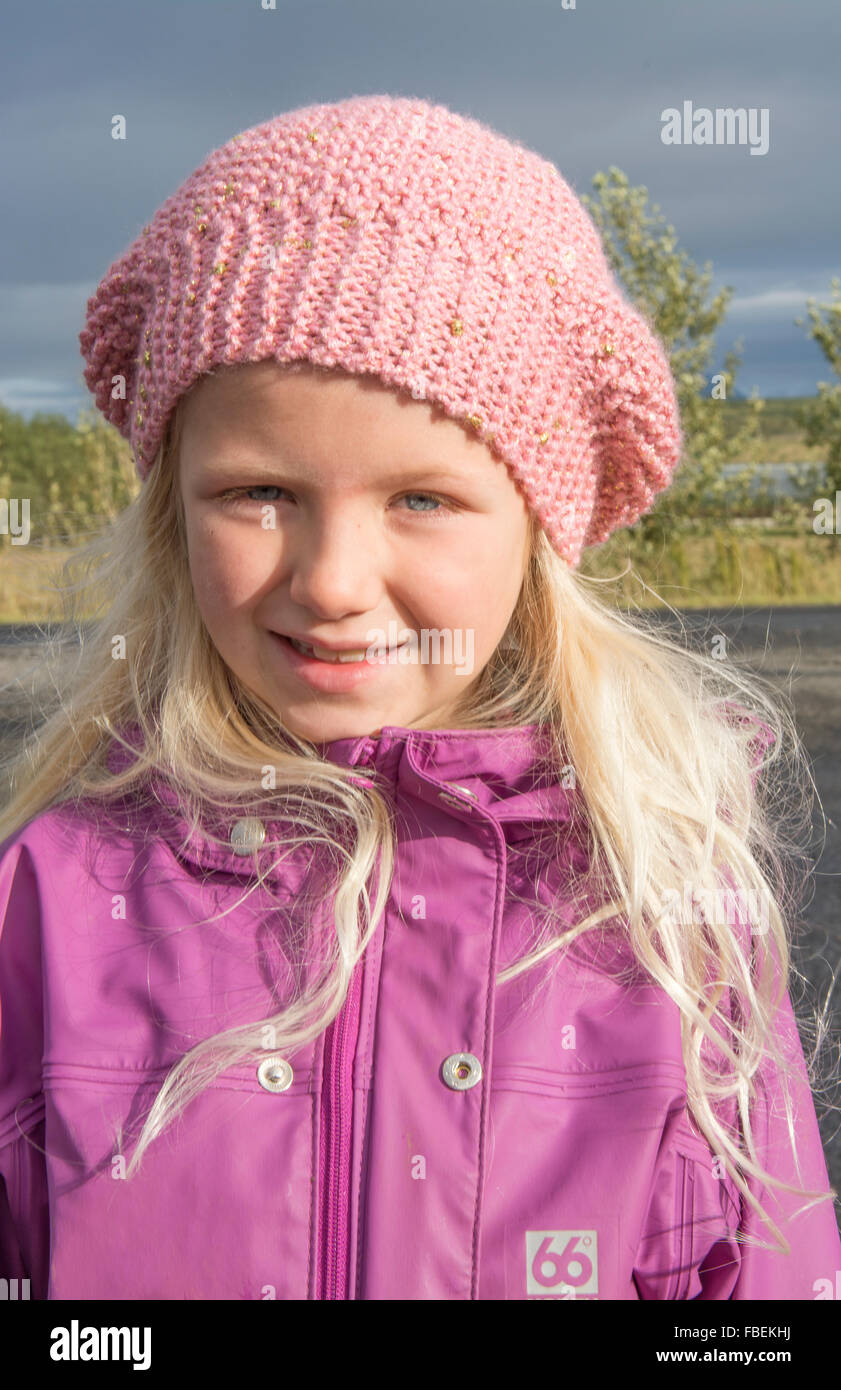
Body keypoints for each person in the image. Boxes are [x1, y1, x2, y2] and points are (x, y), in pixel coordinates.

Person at [0, 93, 838, 1301]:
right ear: (171, 513)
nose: (332, 582)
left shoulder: (654, 913)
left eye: (423, 500)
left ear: (539, 531)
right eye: (258, 493)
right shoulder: (53, 902)